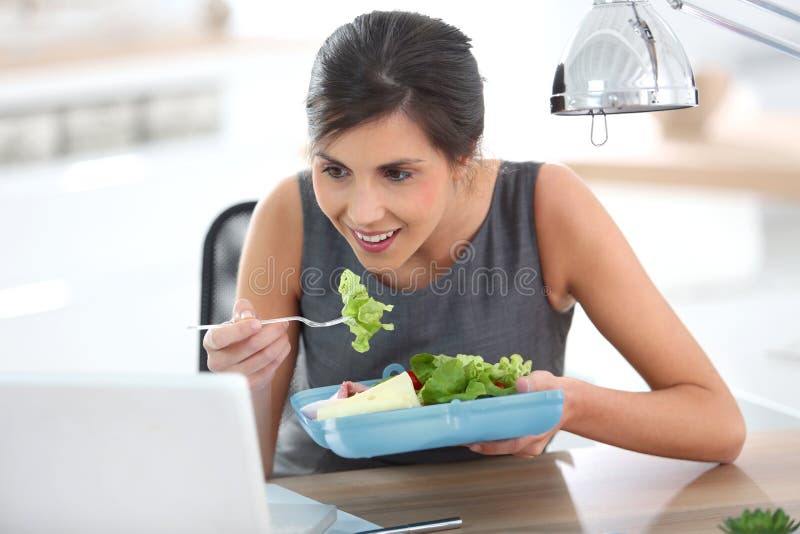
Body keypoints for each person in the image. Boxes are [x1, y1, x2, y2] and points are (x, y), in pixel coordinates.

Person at [203, 10, 745, 478]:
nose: (361, 212)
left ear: (464, 156)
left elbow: (717, 424)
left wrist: (567, 405)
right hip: (332, 510)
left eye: (397, 174)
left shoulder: (546, 207)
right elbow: (249, 472)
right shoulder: (289, 215)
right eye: (335, 169)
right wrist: (240, 387)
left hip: (506, 514)